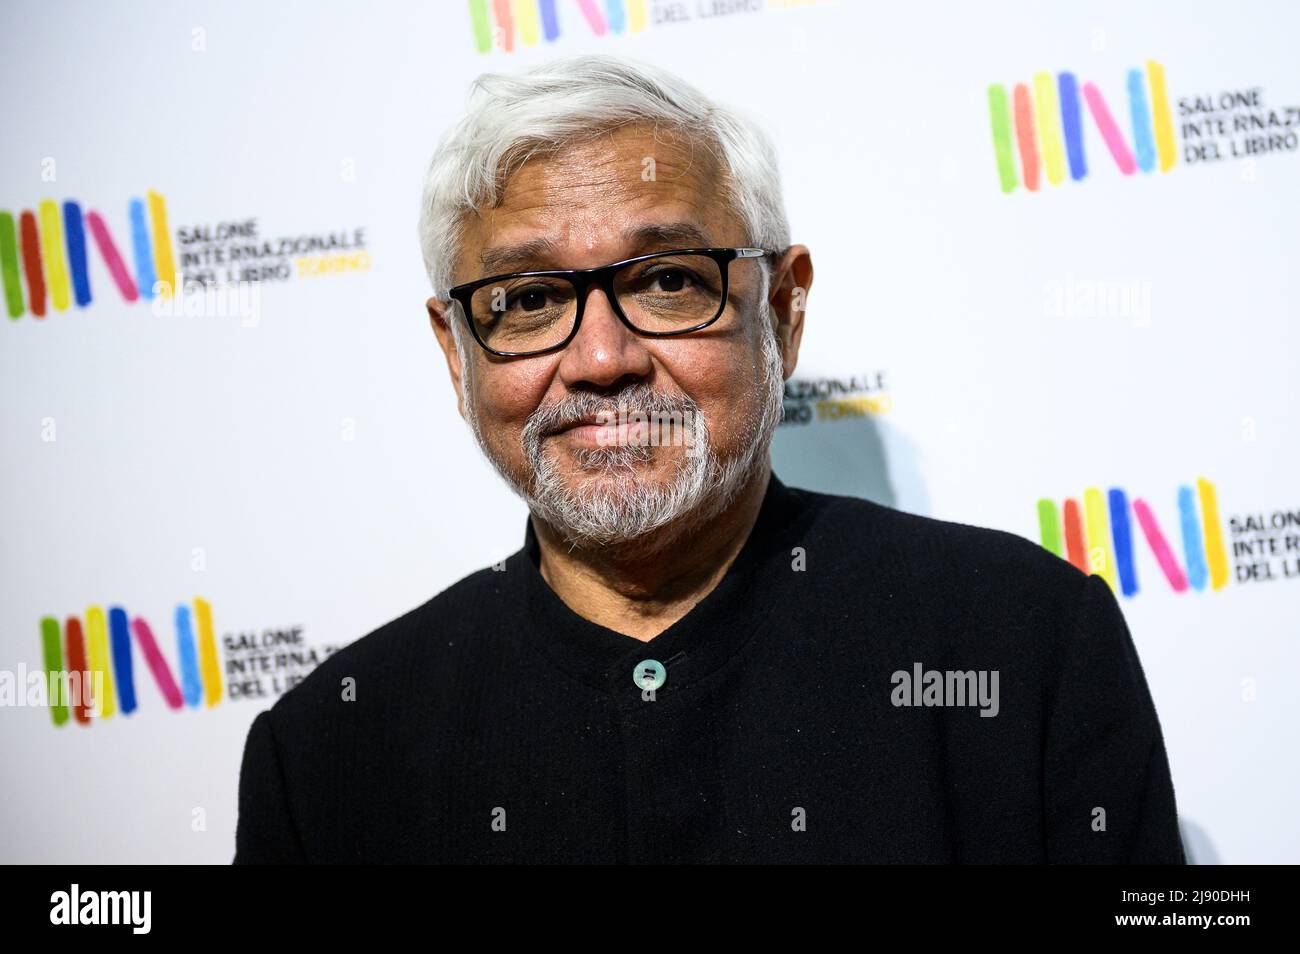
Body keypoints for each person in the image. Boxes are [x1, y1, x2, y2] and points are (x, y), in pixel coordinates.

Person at [234, 54, 1185, 864]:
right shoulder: (329, 758)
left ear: (782, 312)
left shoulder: (1026, 645)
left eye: (668, 282)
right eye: (526, 300)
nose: (601, 361)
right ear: (456, 354)